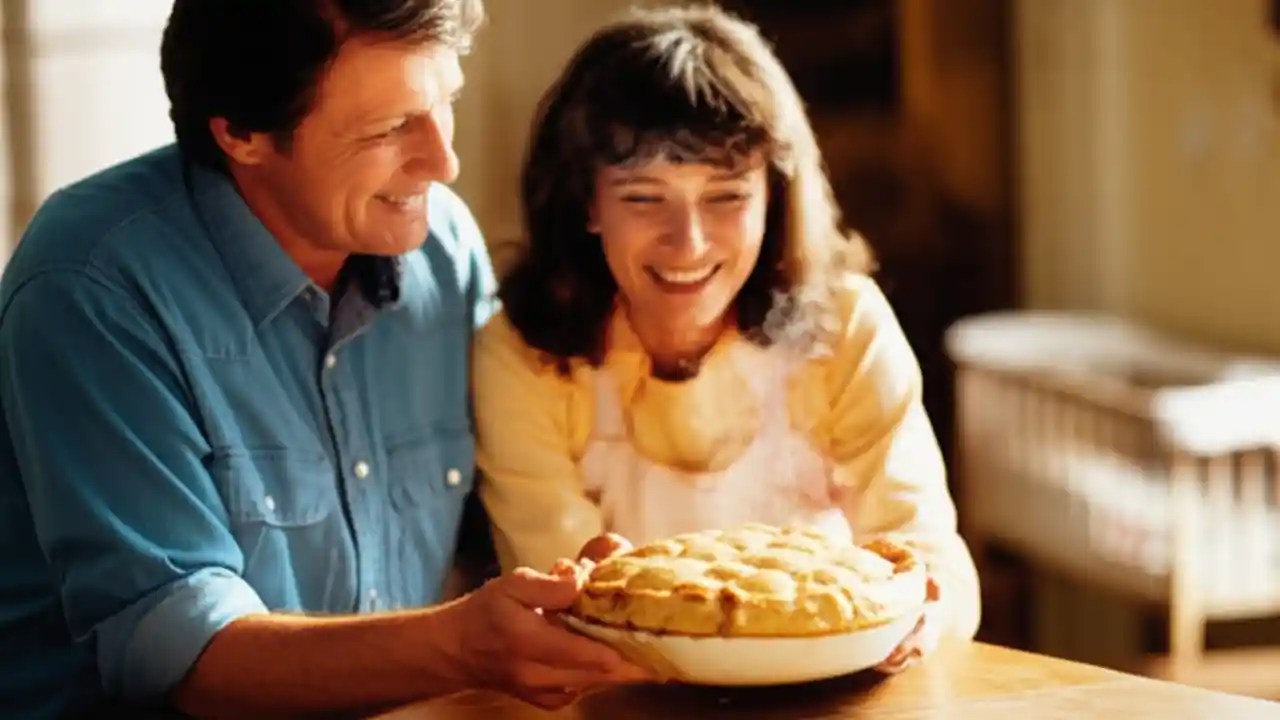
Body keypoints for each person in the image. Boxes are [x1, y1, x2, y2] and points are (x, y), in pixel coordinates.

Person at [0, 1, 649, 717]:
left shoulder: (443, 249)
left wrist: (563, 594)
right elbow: (178, 656)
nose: (444, 161)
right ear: (241, 133)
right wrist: (461, 646)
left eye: (444, 104)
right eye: (390, 127)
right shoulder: (92, 284)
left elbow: (487, 533)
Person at [472, 4, 981, 673]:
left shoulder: (844, 324)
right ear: (586, 203)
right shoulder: (524, 350)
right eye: (643, 198)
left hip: (829, 691)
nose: (689, 242)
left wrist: (923, 614)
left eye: (725, 196)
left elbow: (931, 558)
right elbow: (560, 597)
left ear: (774, 194)